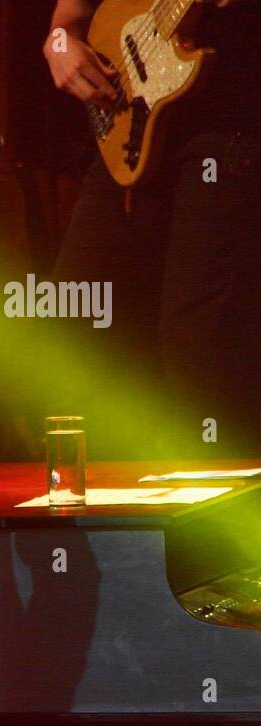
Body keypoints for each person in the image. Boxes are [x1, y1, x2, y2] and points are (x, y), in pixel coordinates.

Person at [42, 0, 261, 458]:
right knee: (73, 319)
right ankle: (91, 514)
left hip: (230, 127)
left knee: (200, 345)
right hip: (129, 119)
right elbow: (65, 27)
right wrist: (60, 44)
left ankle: (222, 514)